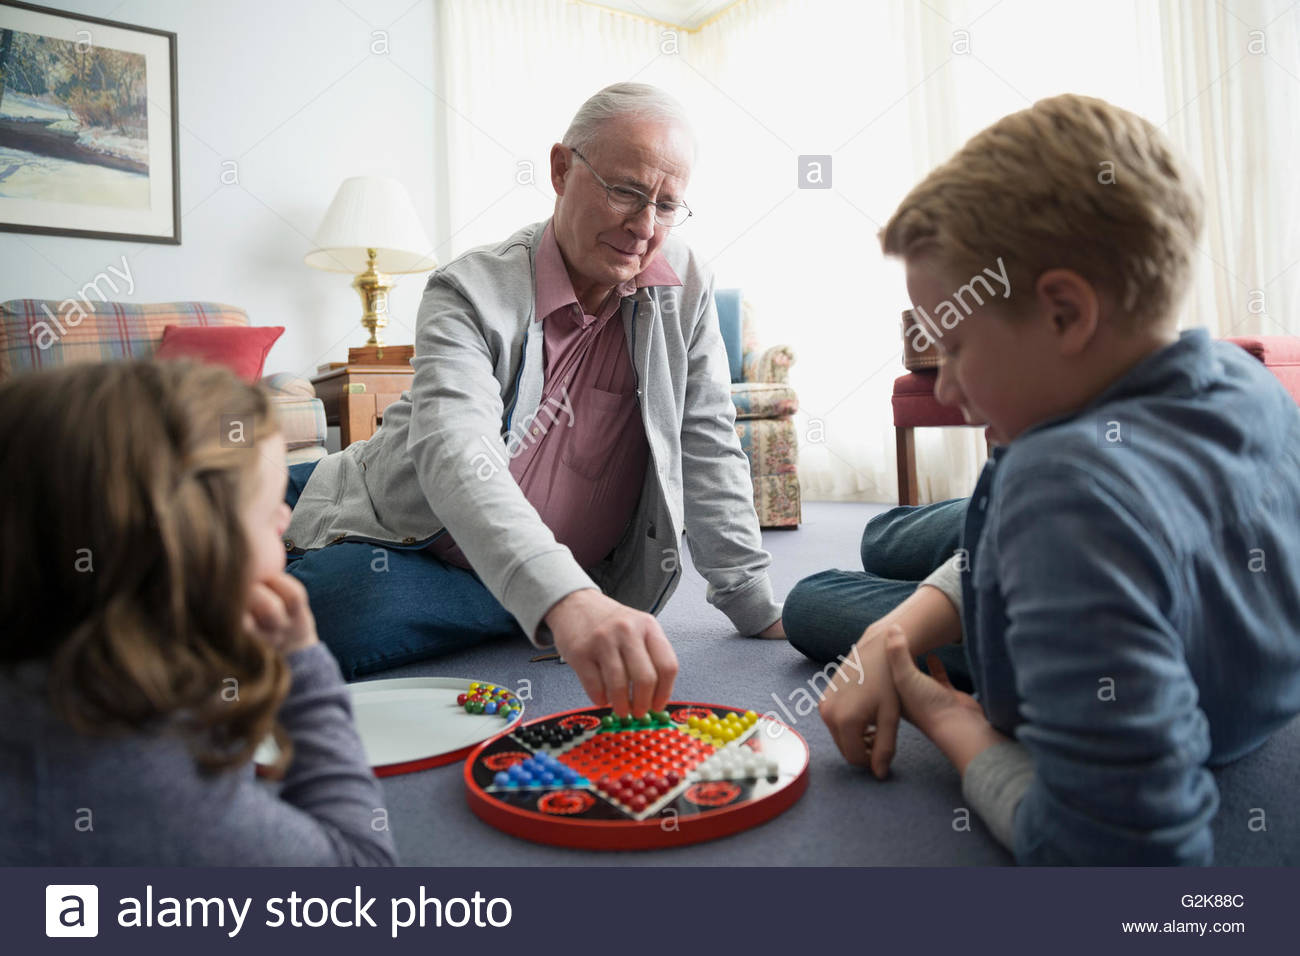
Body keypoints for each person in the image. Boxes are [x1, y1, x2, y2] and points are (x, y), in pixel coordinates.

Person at [818, 93, 1300, 864]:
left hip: (1068, 540)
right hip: (1104, 541)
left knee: (814, 604)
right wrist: (894, 631)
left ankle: (910, 590)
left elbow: (1116, 858)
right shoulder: (1242, 380)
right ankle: (918, 569)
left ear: (1065, 313)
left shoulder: (1061, 491)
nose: (943, 388)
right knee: (884, 538)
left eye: (956, 344)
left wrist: (939, 709)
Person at [282, 83, 783, 716]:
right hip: (398, 513)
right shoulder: (468, 289)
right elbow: (456, 454)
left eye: (667, 204)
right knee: (203, 503)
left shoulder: (684, 284)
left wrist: (752, 600)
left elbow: (708, 437)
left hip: (483, 573)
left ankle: (533, 593)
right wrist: (568, 602)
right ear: (560, 169)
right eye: (627, 191)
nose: (645, 225)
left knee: (338, 608)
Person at [0, 361, 397, 866]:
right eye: (269, 511)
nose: (287, 517)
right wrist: (303, 665)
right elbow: (360, 875)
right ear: (191, 548)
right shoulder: (152, 784)